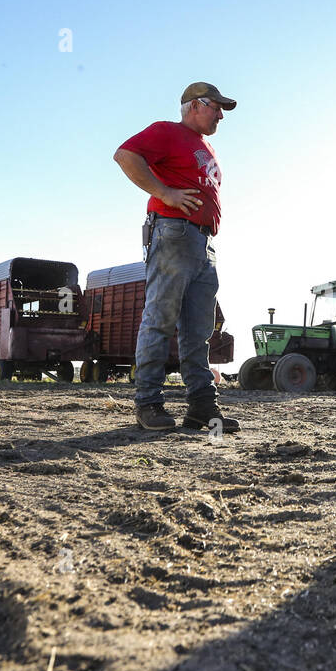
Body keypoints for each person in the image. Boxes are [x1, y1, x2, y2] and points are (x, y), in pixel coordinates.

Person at [113, 82, 240, 434]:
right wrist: (164, 192)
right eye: (216, 107)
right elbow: (125, 155)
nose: (220, 115)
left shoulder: (206, 146)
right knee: (160, 318)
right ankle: (149, 402)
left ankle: (202, 407)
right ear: (194, 106)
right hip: (174, 233)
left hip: (202, 243)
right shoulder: (168, 132)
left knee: (198, 330)